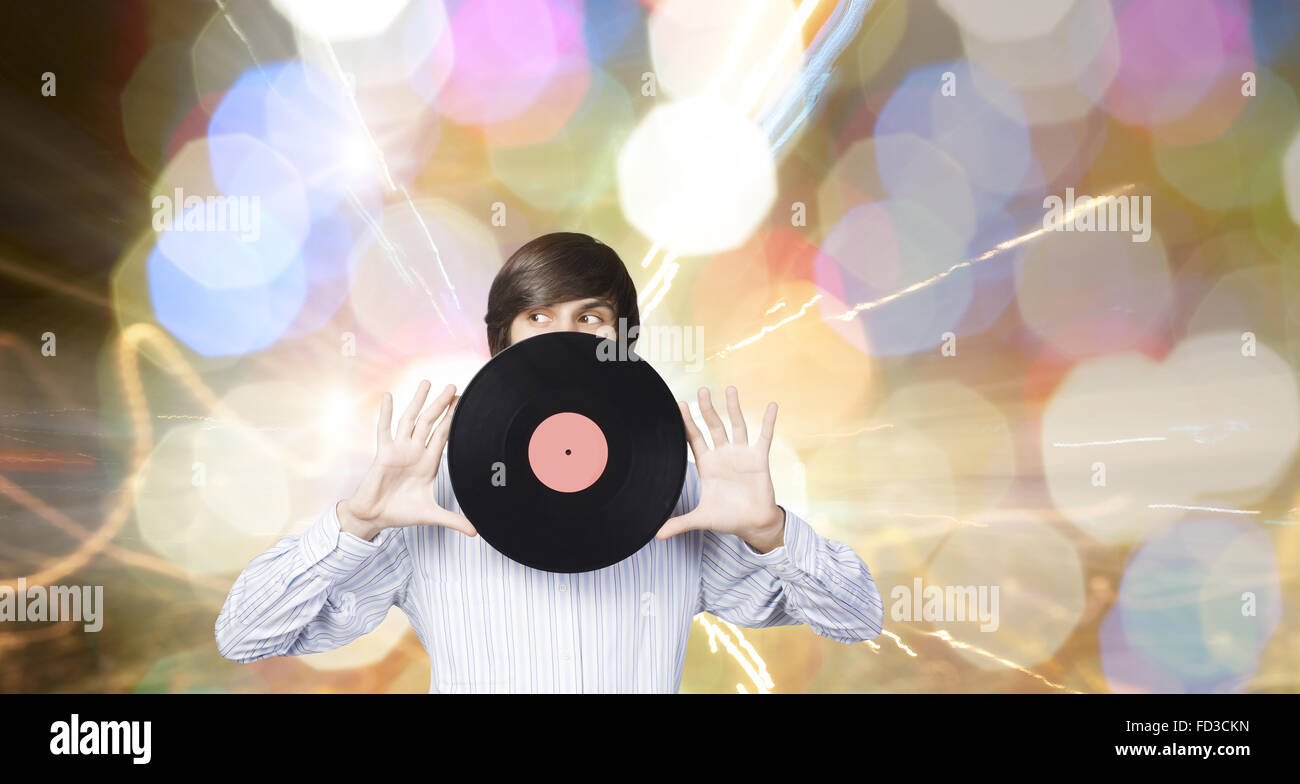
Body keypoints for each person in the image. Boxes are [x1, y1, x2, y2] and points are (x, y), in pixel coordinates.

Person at [215, 231, 883, 692]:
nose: (564, 336)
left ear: (624, 342)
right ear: (501, 342)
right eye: (538, 317)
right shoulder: (425, 497)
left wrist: (771, 534)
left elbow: (856, 618)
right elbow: (245, 636)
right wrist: (356, 523)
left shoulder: (681, 495)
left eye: (590, 317)